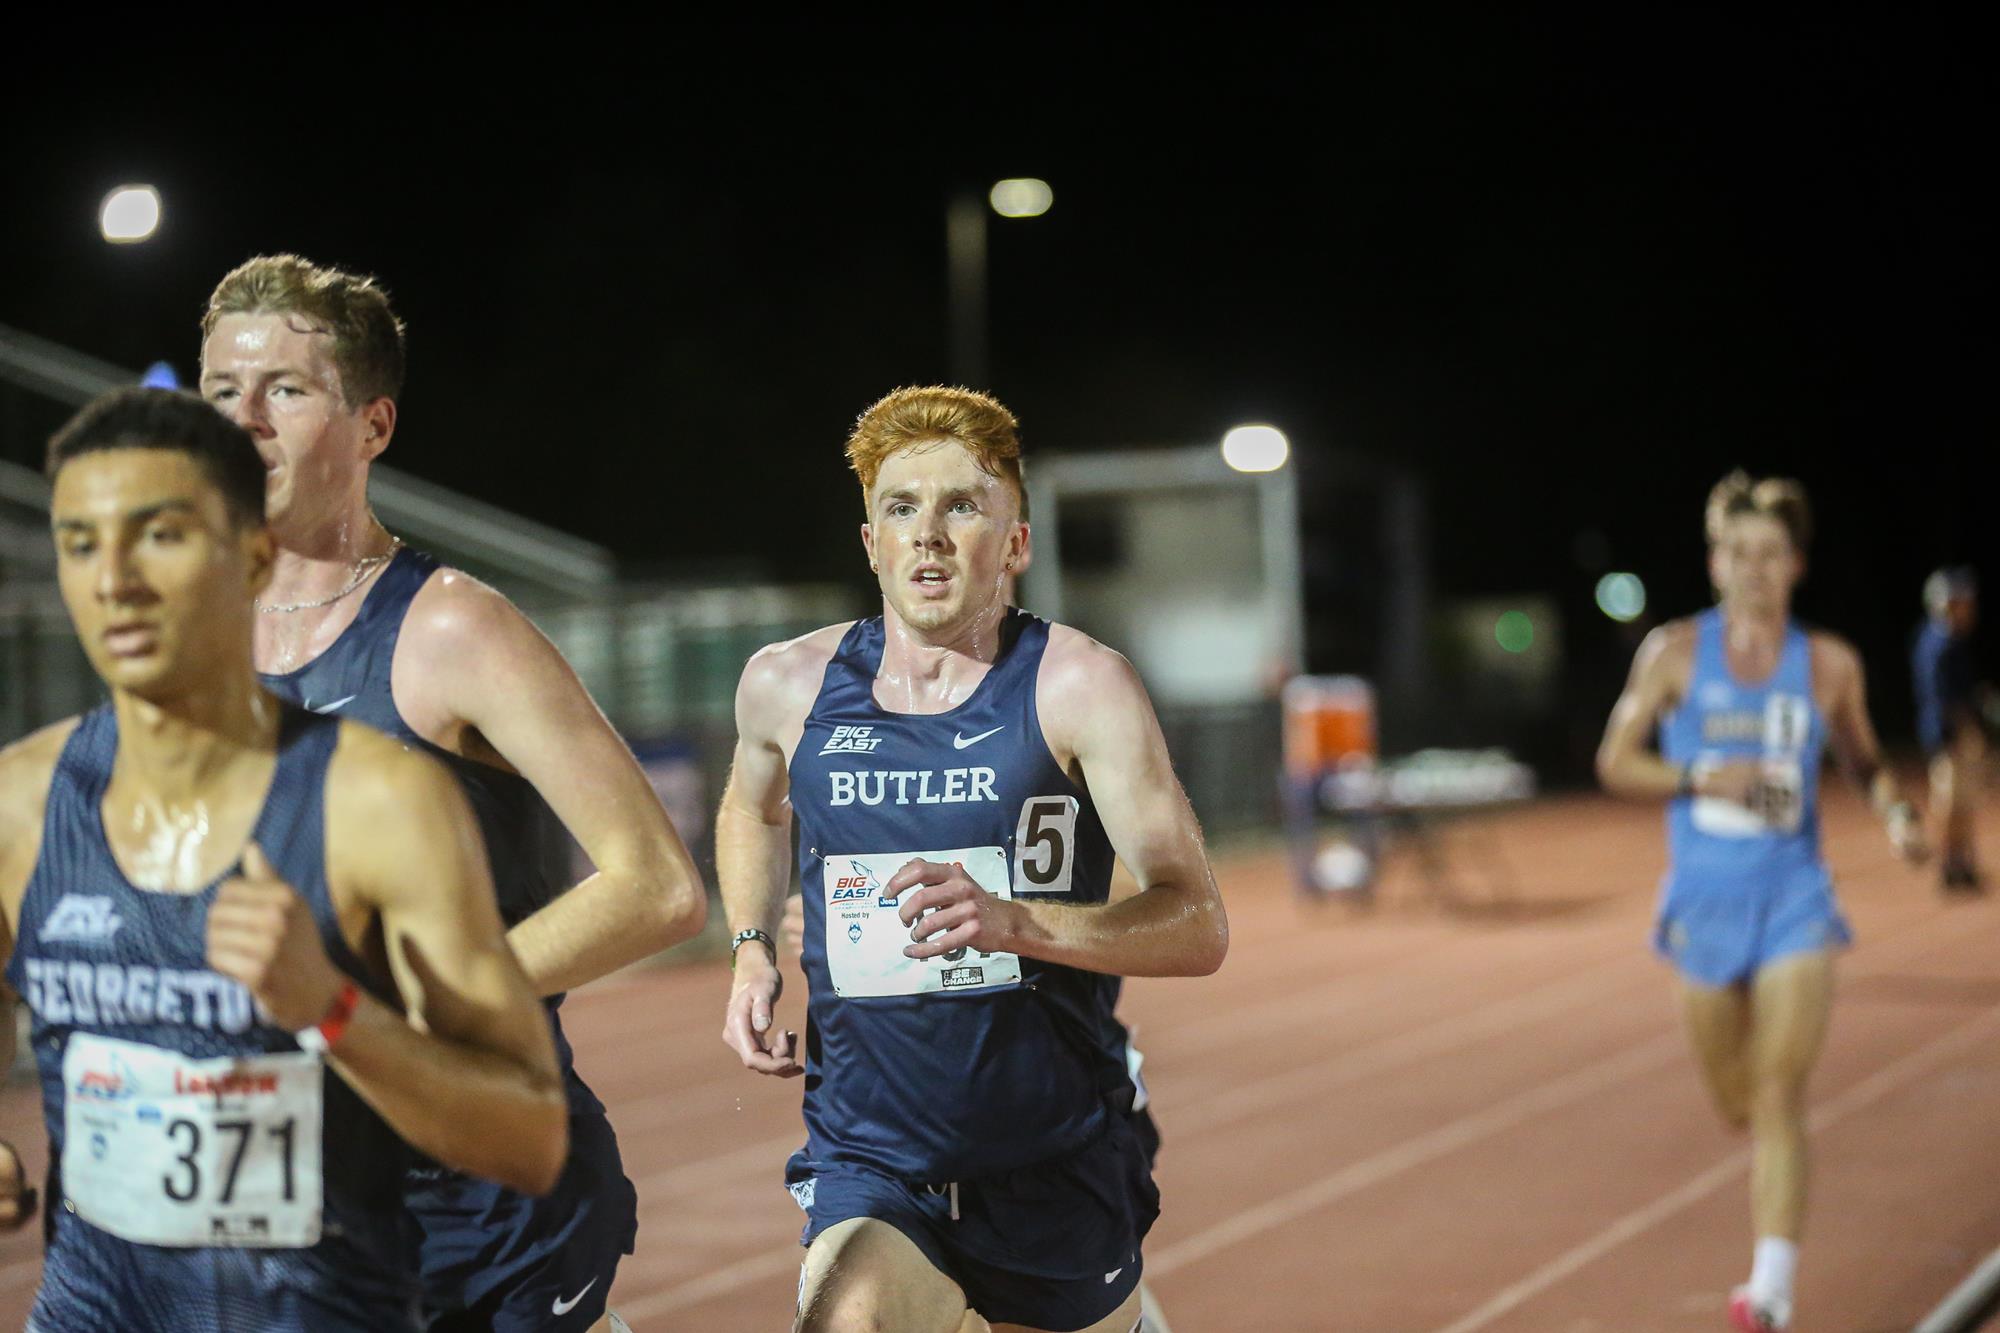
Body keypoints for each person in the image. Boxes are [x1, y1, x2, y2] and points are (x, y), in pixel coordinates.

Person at [197, 254, 705, 1333]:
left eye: (284, 390)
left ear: (372, 427)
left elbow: (657, 886)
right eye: (218, 392)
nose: (242, 420)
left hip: (481, 1206)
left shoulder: (450, 630)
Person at [0, 387, 567, 1331]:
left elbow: (530, 1136)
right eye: (80, 543)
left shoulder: (379, 803)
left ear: (252, 555)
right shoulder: (20, 805)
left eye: (161, 535)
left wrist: (331, 1007)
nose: (116, 580)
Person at [719, 385, 1227, 1333]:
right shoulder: (787, 685)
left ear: (1017, 543)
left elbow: (1196, 922)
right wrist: (752, 944)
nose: (930, 535)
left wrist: (1015, 920)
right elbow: (753, 808)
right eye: (901, 508)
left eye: (963, 505)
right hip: (871, 1155)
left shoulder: (1080, 685)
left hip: (1051, 1153)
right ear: (871, 544)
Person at [1596, 470, 1926, 1333]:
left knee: (1780, 1092)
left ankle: (1769, 1292)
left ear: (1796, 565)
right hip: (1701, 906)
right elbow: (1614, 760)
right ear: (1715, 562)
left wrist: (1894, 811)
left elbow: (1863, 760)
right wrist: (1705, 774)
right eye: (1740, 552)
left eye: (1771, 553)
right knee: (1738, 1102)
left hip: (1794, 896)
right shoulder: (1671, 653)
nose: (1754, 567)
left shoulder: (1829, 664)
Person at [1912, 566, 1986, 892]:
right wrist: (1968, 731)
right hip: (1948, 736)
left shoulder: (1947, 641)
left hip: (1950, 734)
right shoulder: (1940, 644)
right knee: (1950, 802)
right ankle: (1949, 864)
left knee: (1962, 802)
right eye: (1962, 602)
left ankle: (1960, 862)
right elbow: (1944, 699)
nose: (1969, 609)